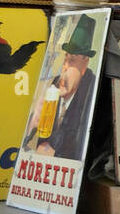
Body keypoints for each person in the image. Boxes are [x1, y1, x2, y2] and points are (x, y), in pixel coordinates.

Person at [25, 13, 98, 160]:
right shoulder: (55, 85)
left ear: (84, 65)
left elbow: (78, 140)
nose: (64, 67)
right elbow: (33, 139)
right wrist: (31, 126)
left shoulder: (91, 91)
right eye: (64, 59)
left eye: (71, 61)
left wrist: (52, 148)